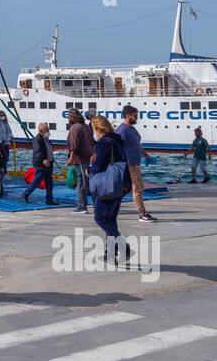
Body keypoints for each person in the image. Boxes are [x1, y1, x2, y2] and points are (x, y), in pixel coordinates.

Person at [89, 115, 134, 266]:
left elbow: (100, 165)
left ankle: (123, 246)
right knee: (110, 220)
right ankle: (110, 254)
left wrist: (90, 169)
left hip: (107, 185)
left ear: (97, 129)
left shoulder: (104, 143)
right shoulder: (117, 140)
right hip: (120, 182)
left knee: (100, 218)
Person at [116, 105, 156, 223]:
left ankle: (111, 205)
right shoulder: (122, 130)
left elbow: (136, 144)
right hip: (129, 164)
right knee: (138, 188)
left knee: (127, 188)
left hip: (135, 162)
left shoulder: (131, 128)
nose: (137, 118)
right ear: (127, 115)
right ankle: (142, 214)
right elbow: (117, 146)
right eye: (135, 116)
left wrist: (146, 155)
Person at [65, 109, 94, 214]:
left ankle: (82, 206)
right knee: (89, 182)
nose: (68, 118)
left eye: (69, 116)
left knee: (81, 182)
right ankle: (95, 204)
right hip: (89, 157)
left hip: (80, 159)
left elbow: (74, 145)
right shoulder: (86, 126)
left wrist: (71, 158)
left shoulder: (74, 128)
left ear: (74, 117)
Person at [23, 122, 55, 205]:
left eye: (48, 129)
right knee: (37, 181)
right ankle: (25, 194)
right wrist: (44, 160)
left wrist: (50, 160)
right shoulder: (37, 140)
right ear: (41, 131)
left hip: (49, 164)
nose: (48, 131)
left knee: (49, 183)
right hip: (41, 165)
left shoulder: (47, 139)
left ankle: (49, 200)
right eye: (46, 130)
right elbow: (38, 152)